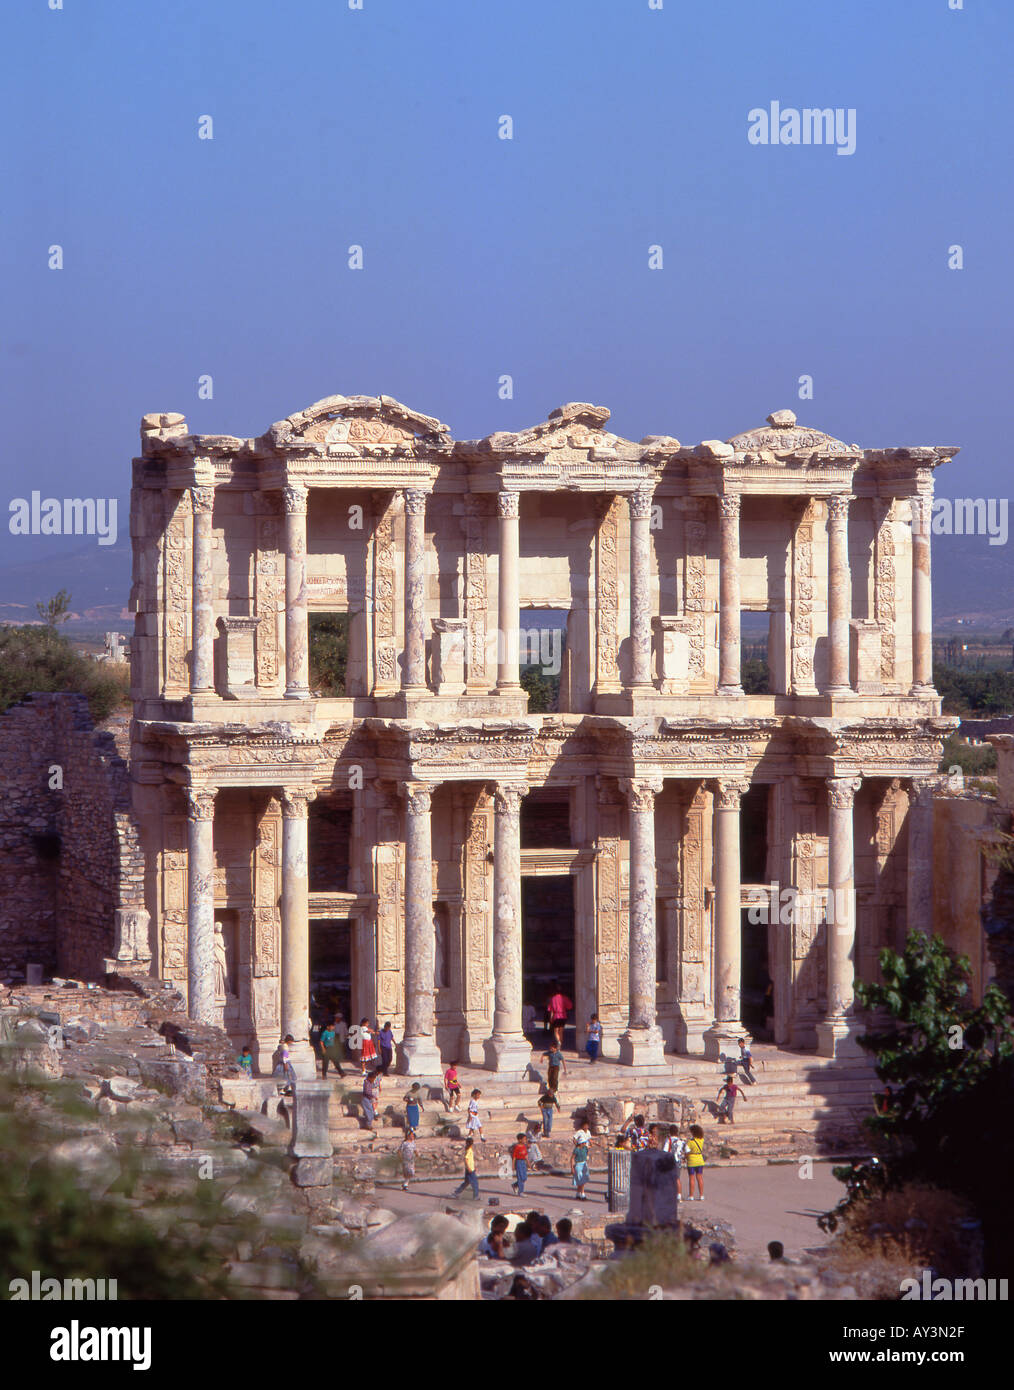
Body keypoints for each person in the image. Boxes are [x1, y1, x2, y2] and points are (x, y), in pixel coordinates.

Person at [663, 1124, 687, 1199]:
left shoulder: (669, 1140)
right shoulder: (681, 1141)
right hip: (678, 1161)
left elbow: (665, 1151)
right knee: (677, 1178)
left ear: (670, 1132)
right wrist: (684, 1158)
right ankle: (679, 1195)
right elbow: (687, 1150)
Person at [685, 1124, 705, 1200]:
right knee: (700, 1178)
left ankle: (691, 1195)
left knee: (691, 1178)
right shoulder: (701, 1140)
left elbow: (687, 1151)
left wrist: (685, 1157)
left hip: (691, 1160)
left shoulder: (690, 1142)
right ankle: (701, 1195)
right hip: (700, 1159)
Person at [571, 1132, 590, 1201]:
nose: (585, 1144)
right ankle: (582, 1194)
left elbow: (588, 1151)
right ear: (581, 1143)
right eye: (584, 1143)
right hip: (578, 1165)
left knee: (583, 1179)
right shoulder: (576, 1150)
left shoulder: (585, 1148)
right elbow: (572, 1158)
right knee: (581, 1180)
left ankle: (578, 1193)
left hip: (584, 1164)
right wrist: (572, 1168)